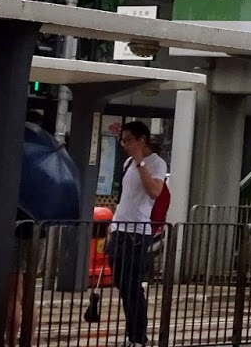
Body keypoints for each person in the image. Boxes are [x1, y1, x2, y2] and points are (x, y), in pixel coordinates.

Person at [107, 122, 167, 347]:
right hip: (119, 230)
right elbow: (125, 197)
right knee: (122, 285)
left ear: (142, 139)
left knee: (132, 286)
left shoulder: (156, 164)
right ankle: (132, 334)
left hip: (137, 234)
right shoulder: (127, 163)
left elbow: (154, 191)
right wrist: (112, 225)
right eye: (123, 141)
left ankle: (138, 337)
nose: (126, 145)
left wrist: (141, 161)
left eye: (129, 140)